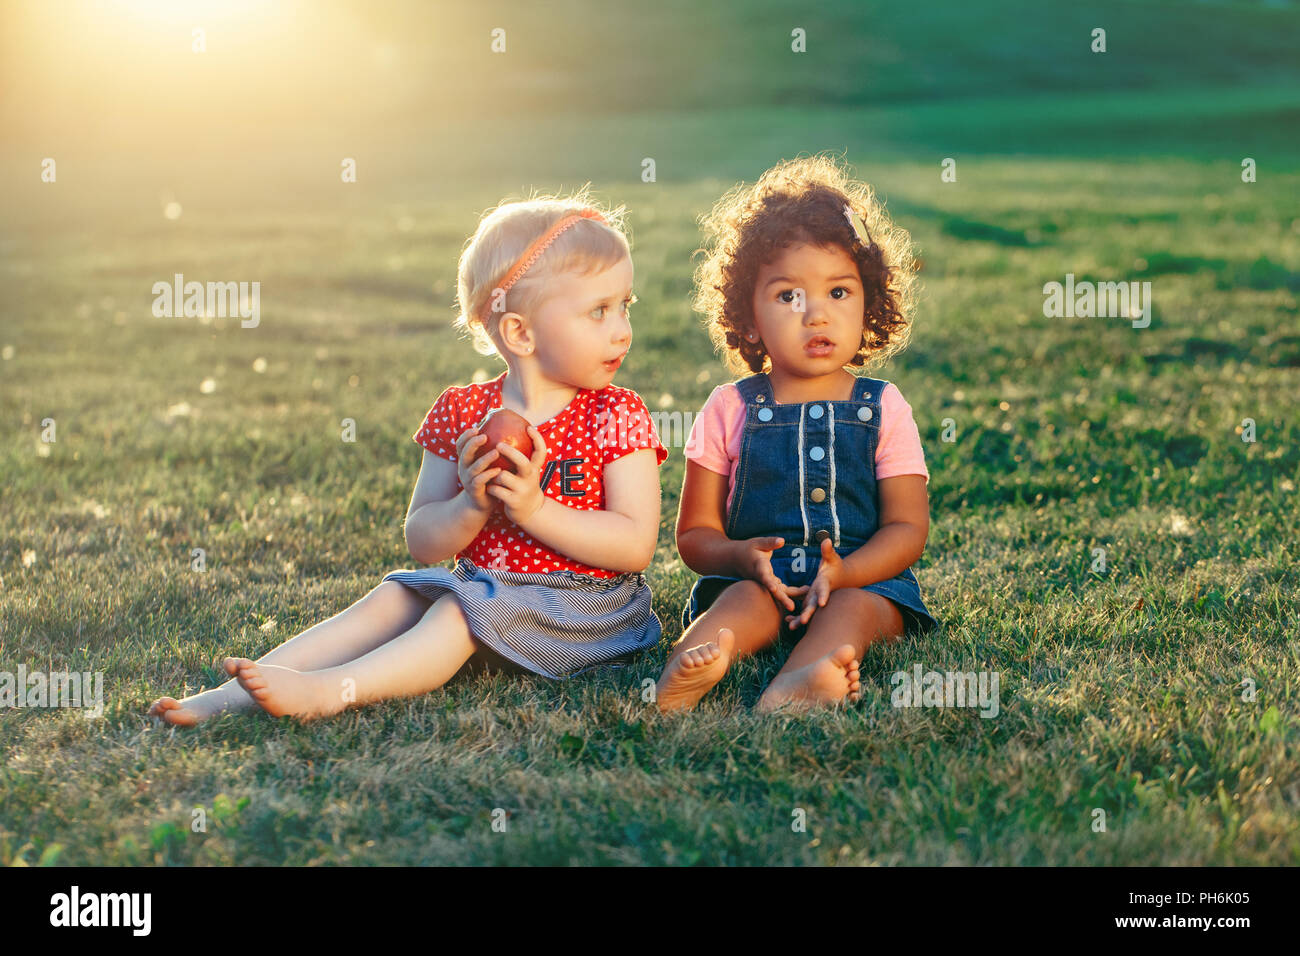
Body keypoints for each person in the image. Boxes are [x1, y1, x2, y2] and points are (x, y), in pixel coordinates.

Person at [150, 191, 667, 724]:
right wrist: (469, 505)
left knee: (454, 613)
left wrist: (536, 511)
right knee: (394, 596)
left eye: (625, 306)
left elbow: (635, 546)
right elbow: (422, 541)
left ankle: (330, 692)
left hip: (590, 610)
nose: (622, 328)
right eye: (599, 310)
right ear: (520, 331)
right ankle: (228, 696)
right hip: (483, 589)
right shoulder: (462, 412)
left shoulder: (615, 413)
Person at [654, 155, 939, 713]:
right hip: (760, 583)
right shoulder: (729, 407)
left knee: (853, 611)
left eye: (839, 292)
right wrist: (740, 558)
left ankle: (805, 676)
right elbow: (695, 535)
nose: (816, 315)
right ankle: (694, 663)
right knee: (740, 605)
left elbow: (908, 527)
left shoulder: (883, 407)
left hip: (862, 581)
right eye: (788, 296)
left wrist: (847, 571)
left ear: (869, 302)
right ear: (749, 313)